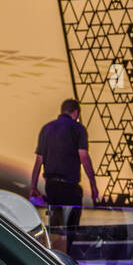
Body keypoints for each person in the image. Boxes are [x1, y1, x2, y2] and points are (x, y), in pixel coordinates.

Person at [29, 98, 98, 256]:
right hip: (70, 187)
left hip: (52, 186)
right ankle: (70, 258)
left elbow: (38, 161)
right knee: (71, 228)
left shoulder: (46, 129)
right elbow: (84, 158)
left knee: (56, 227)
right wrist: (93, 185)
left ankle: (56, 258)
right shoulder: (78, 129)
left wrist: (32, 186)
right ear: (75, 113)